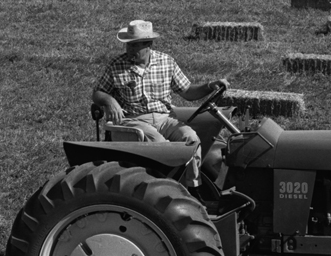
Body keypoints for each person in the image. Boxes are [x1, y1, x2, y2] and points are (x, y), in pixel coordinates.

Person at [91, 19, 229, 181]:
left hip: (165, 119)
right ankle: (165, 184)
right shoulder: (116, 65)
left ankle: (191, 186)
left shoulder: (166, 62)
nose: (130, 49)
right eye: (128, 44)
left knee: (191, 139)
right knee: (160, 145)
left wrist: (208, 86)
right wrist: (109, 100)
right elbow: (98, 93)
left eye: (135, 45)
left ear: (149, 45)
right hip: (132, 120)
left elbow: (187, 91)